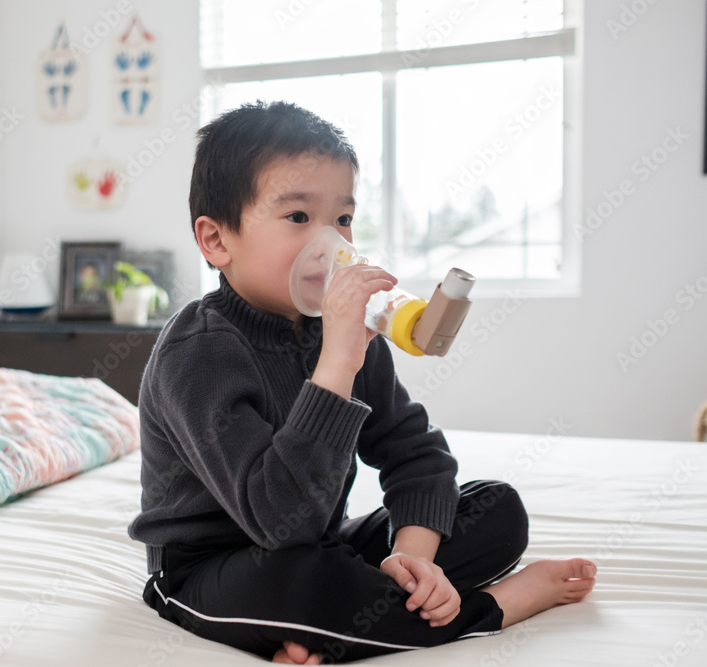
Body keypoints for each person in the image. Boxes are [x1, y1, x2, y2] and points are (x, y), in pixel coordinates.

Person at [127, 100, 596, 664]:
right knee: (307, 581)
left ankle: (358, 618)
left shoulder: (340, 329)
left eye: (342, 219)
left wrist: (412, 554)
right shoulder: (198, 353)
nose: (331, 244)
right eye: (299, 218)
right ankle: (496, 606)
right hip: (217, 565)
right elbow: (280, 521)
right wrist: (337, 362)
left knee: (497, 509)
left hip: (318, 541)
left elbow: (416, 453)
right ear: (216, 241)